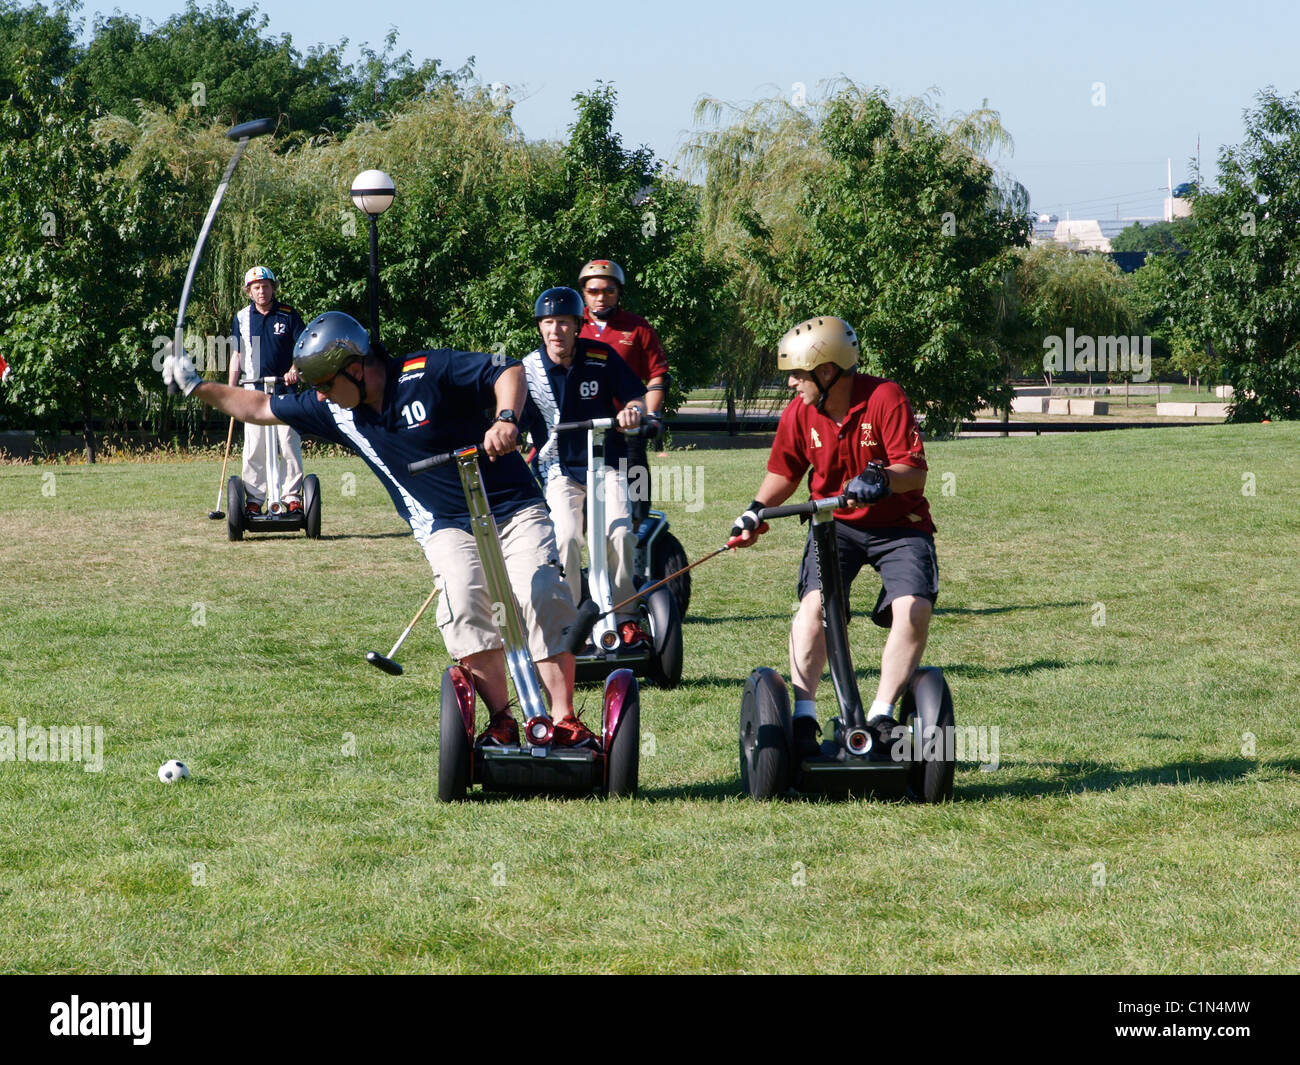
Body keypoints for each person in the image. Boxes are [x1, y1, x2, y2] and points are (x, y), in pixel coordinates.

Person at [165, 311, 594, 748]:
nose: (323, 396)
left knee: (540, 589)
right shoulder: (334, 409)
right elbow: (256, 406)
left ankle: (563, 719)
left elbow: (507, 370)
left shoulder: (427, 371)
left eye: (328, 385)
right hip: (447, 524)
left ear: (356, 366)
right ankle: (501, 719)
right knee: (463, 603)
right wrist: (198, 387)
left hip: (514, 508)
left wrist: (506, 418)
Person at [728, 316, 938, 760]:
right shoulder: (800, 413)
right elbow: (783, 473)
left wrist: (881, 477)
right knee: (816, 607)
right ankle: (803, 716)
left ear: (828, 372)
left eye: (798, 374)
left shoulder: (884, 397)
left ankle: (881, 717)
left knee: (914, 607)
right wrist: (753, 511)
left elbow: (914, 469)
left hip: (901, 526)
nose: (790, 383)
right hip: (834, 525)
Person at [521, 287, 651, 647]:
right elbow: (514, 420)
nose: (555, 331)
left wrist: (633, 411)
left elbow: (635, 397)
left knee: (621, 532)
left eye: (563, 322)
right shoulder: (528, 371)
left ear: (578, 325)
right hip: (558, 469)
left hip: (605, 465)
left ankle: (625, 617)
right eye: (548, 323)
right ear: (540, 328)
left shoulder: (601, 355)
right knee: (564, 537)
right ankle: (575, 619)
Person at [577, 259, 669, 524]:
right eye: (593, 291)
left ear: (619, 293)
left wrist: (649, 415)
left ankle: (635, 550)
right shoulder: (572, 326)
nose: (600, 297)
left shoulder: (638, 327)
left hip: (627, 426)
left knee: (634, 503)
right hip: (583, 426)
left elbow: (656, 375)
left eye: (608, 291)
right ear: (584, 293)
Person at [229, 266, 307, 516]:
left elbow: (304, 347)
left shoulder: (288, 314)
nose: (261, 291)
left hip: (285, 389)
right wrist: (231, 390)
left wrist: (295, 368)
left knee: (288, 441)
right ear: (248, 292)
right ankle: (254, 499)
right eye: (256, 287)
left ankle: (292, 497)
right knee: (255, 445)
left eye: (265, 286)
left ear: (273, 288)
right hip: (253, 390)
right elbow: (237, 355)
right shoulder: (241, 318)